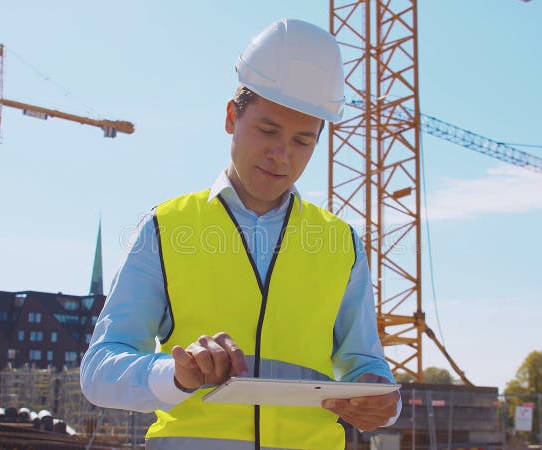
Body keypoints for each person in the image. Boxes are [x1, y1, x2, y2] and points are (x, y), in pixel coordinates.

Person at [80, 18, 401, 450]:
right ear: (232, 117)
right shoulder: (167, 227)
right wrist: (174, 374)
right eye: (267, 131)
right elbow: (99, 371)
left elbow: (365, 364)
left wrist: (383, 400)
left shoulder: (340, 242)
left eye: (302, 141)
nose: (281, 155)